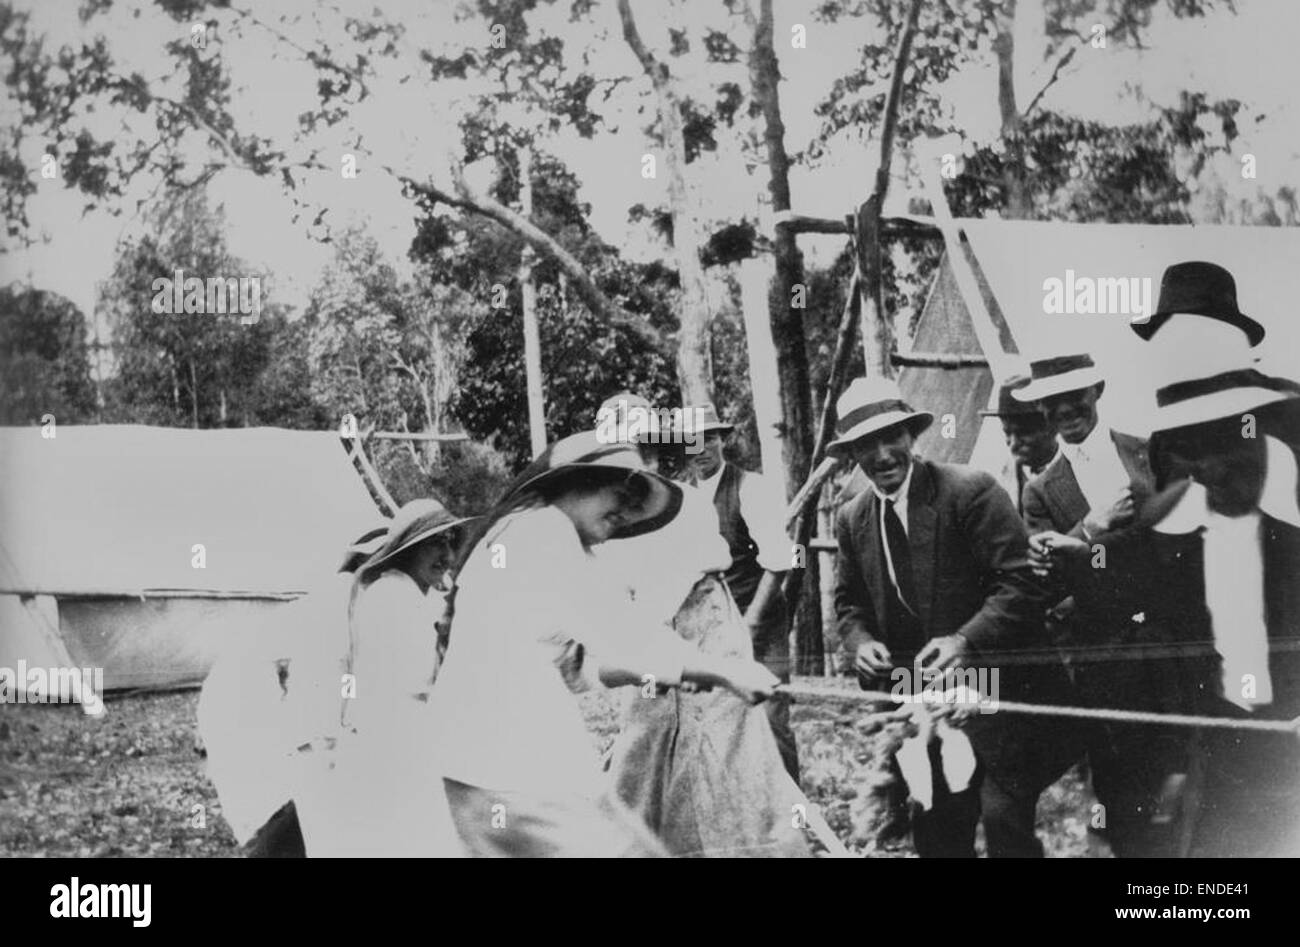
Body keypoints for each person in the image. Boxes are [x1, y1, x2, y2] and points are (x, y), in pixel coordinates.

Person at [427, 431, 780, 857]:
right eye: (620, 494)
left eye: (637, 502)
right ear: (575, 485)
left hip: (478, 768)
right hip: (505, 762)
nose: (627, 511)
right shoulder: (541, 530)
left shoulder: (532, 535)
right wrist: (724, 671)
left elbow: (574, 666)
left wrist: (671, 672)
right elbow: (621, 632)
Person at [830, 377, 1053, 857]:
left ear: (912, 435)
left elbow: (1021, 585)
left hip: (995, 690)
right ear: (852, 453)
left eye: (893, 437)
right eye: (868, 444)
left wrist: (965, 641)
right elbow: (848, 603)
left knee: (1003, 821)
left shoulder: (968, 491)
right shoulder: (853, 518)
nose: (884, 454)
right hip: (921, 699)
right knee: (936, 826)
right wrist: (861, 641)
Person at [593, 393, 817, 857]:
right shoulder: (602, 528)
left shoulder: (687, 508)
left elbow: (692, 584)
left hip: (712, 638)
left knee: (731, 765)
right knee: (643, 766)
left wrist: (709, 659)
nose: (636, 467)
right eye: (619, 457)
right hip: (649, 662)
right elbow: (608, 627)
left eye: (645, 451)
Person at [1132, 261, 1300, 856]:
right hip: (1226, 752)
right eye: (1185, 450)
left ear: (1260, 426)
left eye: (1220, 444)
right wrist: (1178, 759)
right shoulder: (1168, 529)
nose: (1204, 472)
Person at [1014, 352, 1185, 857]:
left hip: (1173, 648)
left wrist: (1085, 553)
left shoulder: (1149, 453)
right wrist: (1094, 525)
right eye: (1053, 402)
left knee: (1188, 785)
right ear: (1042, 411)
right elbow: (1045, 580)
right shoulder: (1039, 492)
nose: (1066, 410)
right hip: (1106, 662)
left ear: (1098, 392)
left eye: (1075, 396)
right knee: (1123, 798)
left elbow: (1172, 544)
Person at [291, 499, 475, 857]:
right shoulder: (392, 595)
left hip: (401, 739)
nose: (446, 554)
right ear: (406, 550)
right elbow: (412, 681)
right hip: (392, 741)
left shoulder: (407, 595)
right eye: (434, 543)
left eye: (450, 542)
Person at [197, 521, 390, 858]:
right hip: (248, 703)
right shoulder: (342, 602)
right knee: (286, 811)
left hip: (261, 699)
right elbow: (324, 696)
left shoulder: (358, 601)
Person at [679, 402, 799, 780]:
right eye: (689, 441)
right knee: (716, 726)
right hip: (708, 629)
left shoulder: (752, 488)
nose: (699, 449)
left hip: (759, 623)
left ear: (721, 441)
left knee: (771, 722)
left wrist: (750, 625)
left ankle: (792, 821)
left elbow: (779, 563)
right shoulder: (679, 496)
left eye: (707, 439)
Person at [978, 374, 1059, 515]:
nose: (1013, 444)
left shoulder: (1080, 470)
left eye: (1024, 433)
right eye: (1007, 433)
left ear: (1051, 427)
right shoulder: (994, 481)